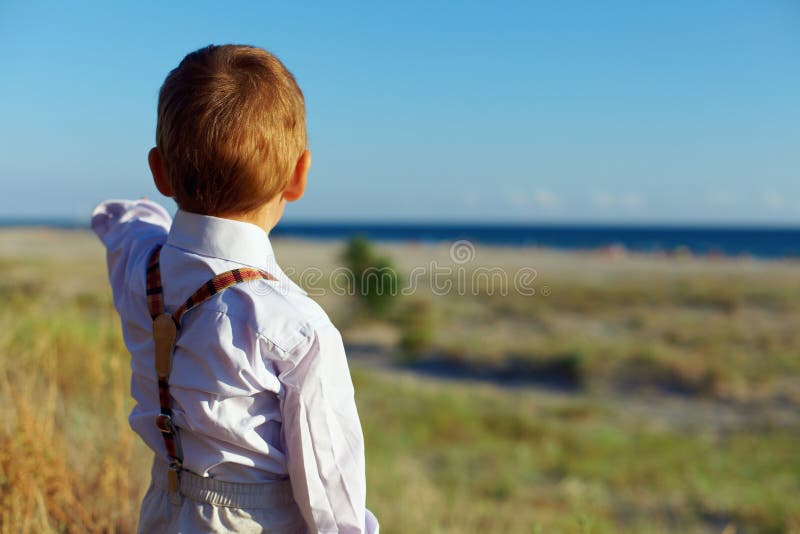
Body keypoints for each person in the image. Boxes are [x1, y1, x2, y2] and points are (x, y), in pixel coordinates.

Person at [91, 44, 379, 533]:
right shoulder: (297, 327)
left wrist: (147, 209)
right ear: (298, 175)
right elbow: (332, 500)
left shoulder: (141, 264)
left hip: (165, 508)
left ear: (159, 171)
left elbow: (122, 219)